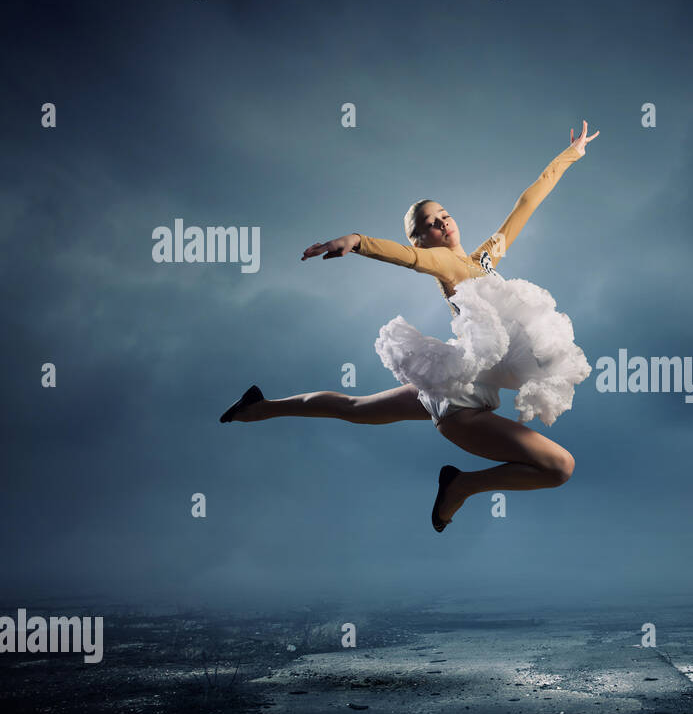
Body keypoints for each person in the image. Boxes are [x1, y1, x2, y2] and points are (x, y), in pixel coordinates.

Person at [219, 121, 601, 533]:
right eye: (431, 224)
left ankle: (258, 409)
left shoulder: (483, 259)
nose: (443, 223)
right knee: (560, 467)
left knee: (354, 409)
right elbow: (409, 257)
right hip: (462, 410)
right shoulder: (443, 263)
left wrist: (570, 155)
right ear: (422, 240)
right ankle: (462, 486)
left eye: (445, 215)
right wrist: (357, 240)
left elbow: (526, 204)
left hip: (451, 383)